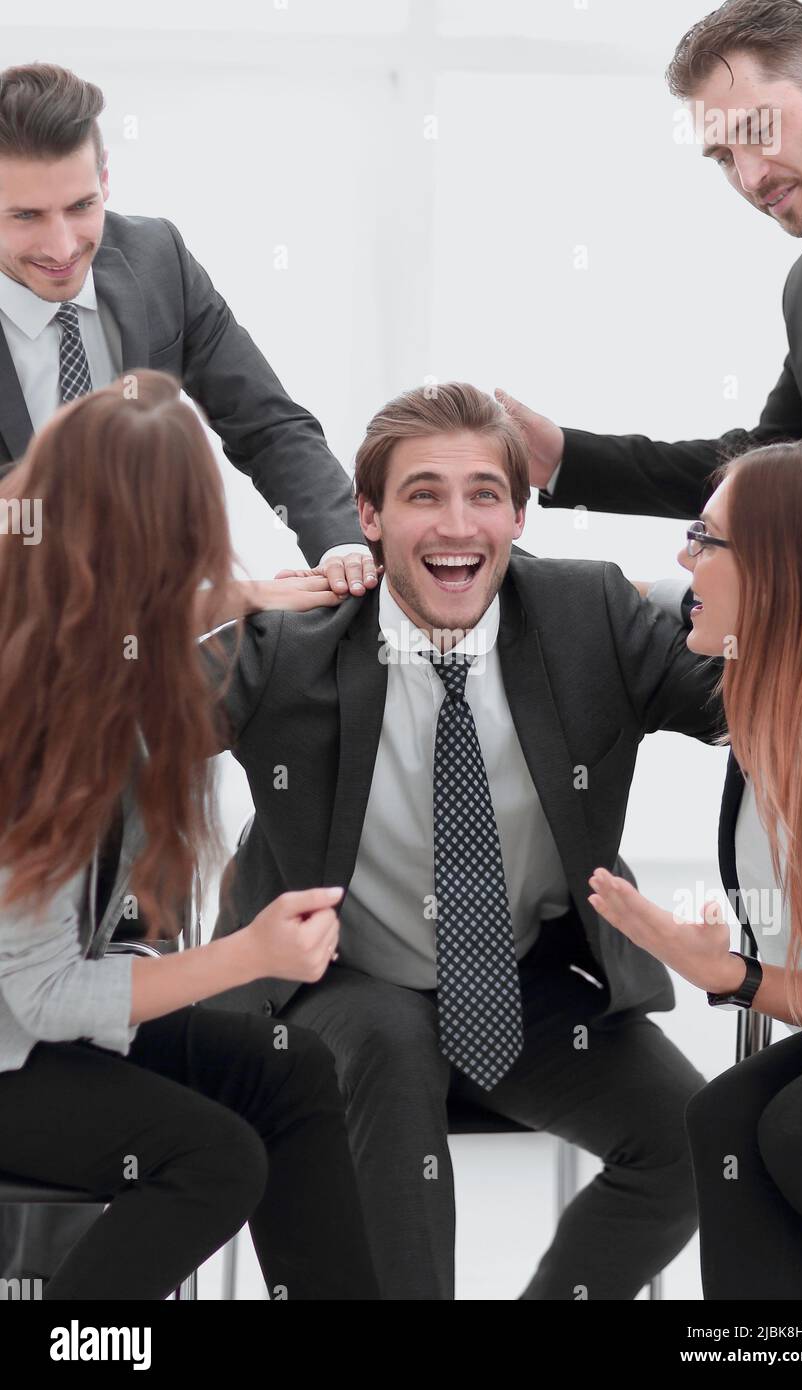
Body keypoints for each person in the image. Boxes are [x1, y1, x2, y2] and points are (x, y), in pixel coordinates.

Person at [198, 381, 727, 1300]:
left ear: (521, 515)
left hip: (520, 982)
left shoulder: (587, 612)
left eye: (485, 493)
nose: (457, 524)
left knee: (689, 1135)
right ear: (367, 514)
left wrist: (768, 575)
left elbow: (751, 704)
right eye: (421, 494)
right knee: (393, 1041)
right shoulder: (292, 641)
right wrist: (227, 596)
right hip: (335, 983)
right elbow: (91, 730)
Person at [0, 371, 381, 1301]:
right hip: (16, 1038)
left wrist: (243, 591)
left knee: (286, 1072)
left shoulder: (45, 592)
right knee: (213, 1160)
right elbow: (42, 996)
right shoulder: (38, 723)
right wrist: (248, 954)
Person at [588, 439, 802, 1300]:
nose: (683, 557)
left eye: (704, 538)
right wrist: (730, 975)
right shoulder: (768, 694)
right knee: (728, 1116)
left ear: (784, 569)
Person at [0, 61, 377, 598]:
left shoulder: (157, 259)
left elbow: (266, 425)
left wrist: (344, 546)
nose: (61, 248)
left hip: (163, 662)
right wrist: (217, 602)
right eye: (27, 216)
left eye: (81, 206)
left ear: (105, 178)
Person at [497, 0, 802, 518]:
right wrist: (562, 457)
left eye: (758, 128)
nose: (751, 177)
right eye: (723, 157)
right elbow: (768, 467)